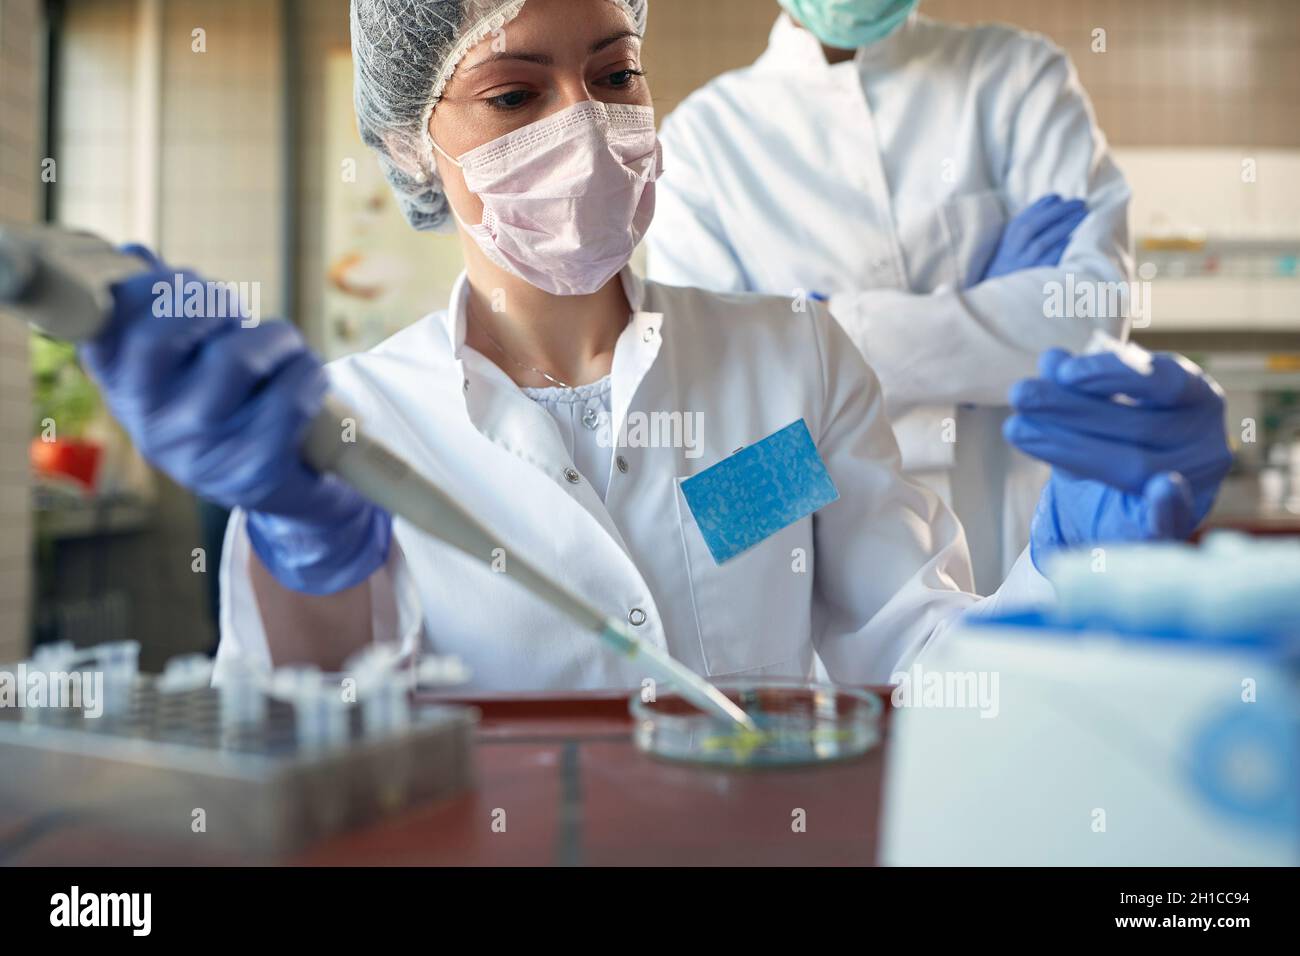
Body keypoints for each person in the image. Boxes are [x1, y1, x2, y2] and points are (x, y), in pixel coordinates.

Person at [79, 0, 1227, 692]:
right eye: (513, 96)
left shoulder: (792, 364)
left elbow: (918, 661)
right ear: (409, 144)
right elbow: (305, 762)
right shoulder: (358, 422)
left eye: (614, 71)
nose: (583, 121)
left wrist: (1067, 575)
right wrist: (305, 555)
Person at [645, 0, 1133, 593]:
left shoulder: (1017, 75)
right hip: (825, 611)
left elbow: (1085, 324)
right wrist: (988, 306)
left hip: (1026, 560)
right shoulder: (701, 144)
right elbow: (735, 491)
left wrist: (815, 341)